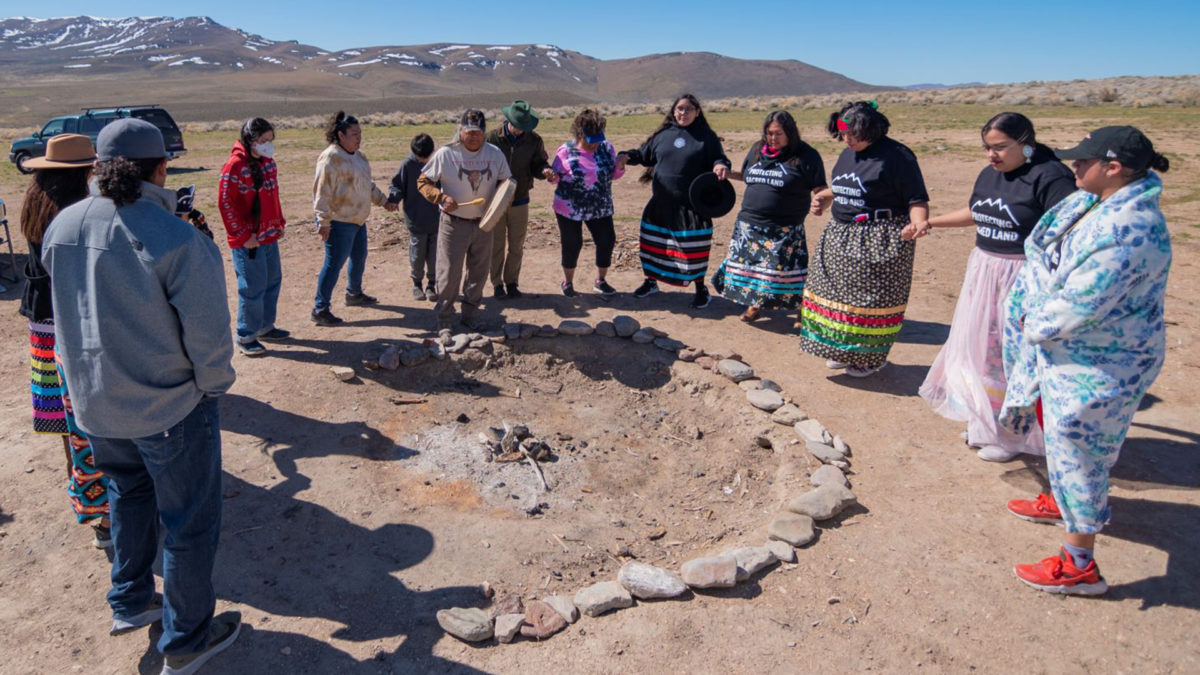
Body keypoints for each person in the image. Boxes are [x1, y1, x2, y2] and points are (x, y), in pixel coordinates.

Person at [42, 118, 241, 672]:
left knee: (127, 497)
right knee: (189, 524)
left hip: (96, 406)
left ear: (99, 170)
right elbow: (209, 337)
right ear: (161, 168)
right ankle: (186, 643)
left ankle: (130, 602)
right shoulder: (176, 236)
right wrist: (212, 387)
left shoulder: (63, 226)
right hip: (169, 410)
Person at [1000, 126, 1171, 596]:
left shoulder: (1129, 231)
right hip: (1072, 353)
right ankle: (1060, 500)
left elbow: (1080, 303)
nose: (1074, 168)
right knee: (1059, 440)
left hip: (1102, 363)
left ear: (1113, 168)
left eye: (1083, 161)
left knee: (1081, 454)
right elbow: (1044, 246)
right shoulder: (1092, 202)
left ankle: (1079, 567)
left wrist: (1028, 319)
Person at [918, 113, 1076, 462]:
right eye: (987, 148)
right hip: (985, 270)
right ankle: (987, 422)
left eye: (1001, 147)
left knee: (1014, 358)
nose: (992, 155)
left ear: (1026, 142)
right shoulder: (991, 174)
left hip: (1023, 276)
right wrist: (932, 223)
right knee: (985, 351)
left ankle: (1013, 436)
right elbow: (978, 212)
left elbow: (1068, 232)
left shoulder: (1051, 176)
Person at [17, 133, 111, 549]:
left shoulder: (35, 202)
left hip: (42, 321)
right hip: (73, 322)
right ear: (83, 173)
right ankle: (104, 513)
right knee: (88, 418)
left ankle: (79, 486)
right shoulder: (76, 212)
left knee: (63, 417)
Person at [800, 101, 930, 377]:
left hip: (879, 238)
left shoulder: (897, 156)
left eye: (853, 136)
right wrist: (824, 198)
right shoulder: (849, 154)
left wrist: (919, 222)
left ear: (872, 130)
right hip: (841, 234)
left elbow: (916, 198)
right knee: (834, 294)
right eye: (844, 134)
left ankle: (869, 358)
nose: (848, 140)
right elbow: (847, 185)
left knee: (869, 302)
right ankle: (842, 349)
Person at [712, 110, 827, 323]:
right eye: (768, 133)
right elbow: (747, 176)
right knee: (754, 271)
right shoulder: (757, 150)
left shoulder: (805, 155)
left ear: (790, 133)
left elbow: (820, 187)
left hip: (784, 228)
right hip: (749, 225)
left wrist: (820, 200)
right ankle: (755, 305)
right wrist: (728, 173)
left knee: (785, 273)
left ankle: (804, 309)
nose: (772, 138)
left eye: (778, 133)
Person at [623, 93, 731, 309]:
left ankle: (700, 288)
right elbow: (644, 155)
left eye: (688, 109)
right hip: (661, 203)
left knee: (693, 250)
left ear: (697, 112)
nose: (683, 113)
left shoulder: (706, 137)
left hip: (691, 205)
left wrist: (720, 164)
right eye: (680, 109)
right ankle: (651, 282)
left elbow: (719, 158)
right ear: (673, 111)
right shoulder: (663, 135)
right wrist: (625, 156)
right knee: (654, 246)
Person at [417, 109, 513, 330]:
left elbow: (506, 183)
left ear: (484, 132)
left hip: (484, 223)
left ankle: (470, 316)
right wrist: (440, 197)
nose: (474, 137)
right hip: (454, 222)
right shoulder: (446, 154)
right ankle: (445, 320)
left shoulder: (495, 154)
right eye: (469, 132)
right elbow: (423, 182)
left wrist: (498, 204)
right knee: (449, 274)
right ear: (460, 131)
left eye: (478, 132)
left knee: (478, 273)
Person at [311, 111, 396, 326]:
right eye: (354, 134)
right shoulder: (330, 158)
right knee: (333, 264)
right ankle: (320, 308)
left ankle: (354, 293)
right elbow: (321, 191)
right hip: (339, 220)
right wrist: (322, 220)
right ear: (341, 134)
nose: (359, 138)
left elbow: (367, 185)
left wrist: (383, 201)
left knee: (359, 257)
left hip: (358, 220)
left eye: (360, 133)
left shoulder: (359, 157)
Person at [218, 117, 289, 356]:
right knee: (252, 287)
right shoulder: (235, 166)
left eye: (270, 140)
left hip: (268, 234)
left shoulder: (268, 163)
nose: (268, 144)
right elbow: (226, 203)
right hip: (249, 239)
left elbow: (272, 196)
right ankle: (246, 334)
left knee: (272, 281)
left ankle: (265, 327)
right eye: (263, 140)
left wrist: (279, 222)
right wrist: (242, 234)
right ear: (251, 140)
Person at [550, 108, 627, 297]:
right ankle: (568, 282)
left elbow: (613, 175)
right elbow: (555, 178)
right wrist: (550, 176)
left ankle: (601, 281)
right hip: (569, 208)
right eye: (590, 141)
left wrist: (620, 167)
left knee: (606, 240)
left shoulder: (607, 148)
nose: (595, 145)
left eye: (598, 140)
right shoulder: (565, 151)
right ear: (579, 134)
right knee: (572, 243)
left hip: (600, 206)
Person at [487, 100, 556, 299]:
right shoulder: (491, 138)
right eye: (517, 126)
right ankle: (497, 284)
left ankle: (512, 282)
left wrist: (545, 171)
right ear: (508, 120)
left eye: (524, 127)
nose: (520, 130)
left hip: (520, 198)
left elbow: (538, 164)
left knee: (517, 245)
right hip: (495, 201)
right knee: (496, 245)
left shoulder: (534, 140)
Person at [388, 133, 440, 302]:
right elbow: (397, 185)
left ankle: (432, 284)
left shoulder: (437, 163)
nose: (424, 160)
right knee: (417, 255)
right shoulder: (408, 165)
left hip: (437, 220)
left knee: (435, 255)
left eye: (427, 156)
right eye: (421, 157)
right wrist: (394, 198)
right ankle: (417, 284)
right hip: (416, 220)